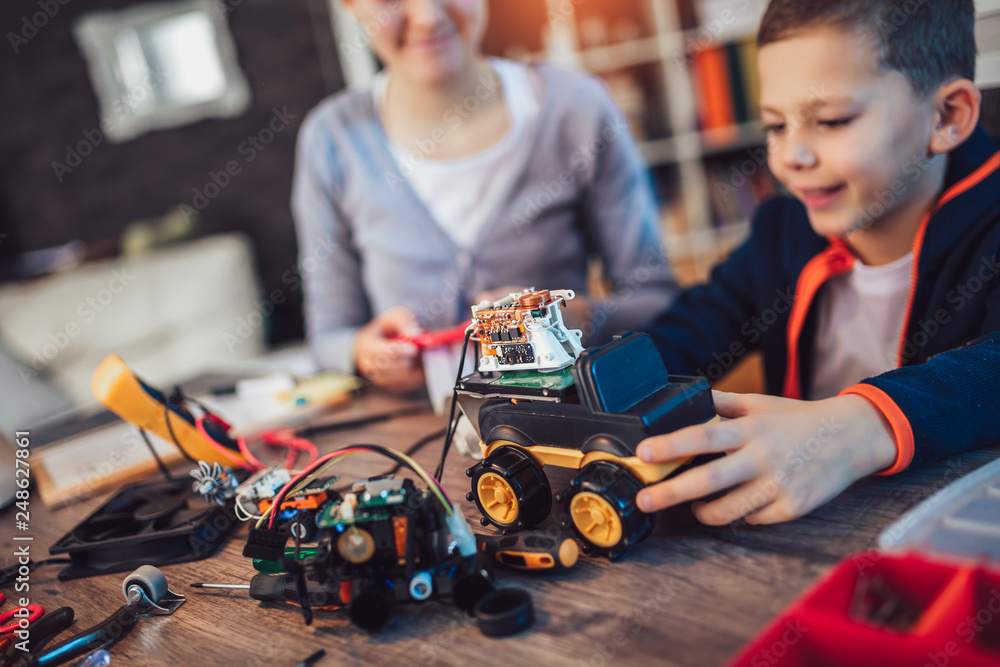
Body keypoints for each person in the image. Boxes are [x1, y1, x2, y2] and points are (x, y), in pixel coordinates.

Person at [637, 0, 1000, 526]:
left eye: (830, 120)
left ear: (947, 116)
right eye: (776, 126)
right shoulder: (781, 230)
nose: (790, 158)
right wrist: (578, 378)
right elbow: (686, 335)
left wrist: (861, 424)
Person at [292, 0, 675, 393]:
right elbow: (329, 339)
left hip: (560, 429)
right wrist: (361, 352)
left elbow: (659, 303)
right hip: (408, 441)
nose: (428, 17)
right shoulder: (332, 139)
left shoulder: (578, 108)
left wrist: (573, 320)